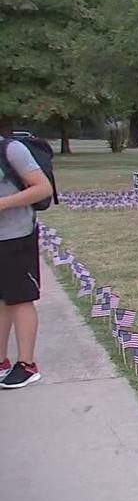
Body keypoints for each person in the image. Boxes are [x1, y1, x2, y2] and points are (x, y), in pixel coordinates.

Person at [0, 138, 55, 389]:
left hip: (16, 235)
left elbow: (43, 188)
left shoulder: (11, 150)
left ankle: (27, 365)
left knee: (20, 298)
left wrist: (2, 203)